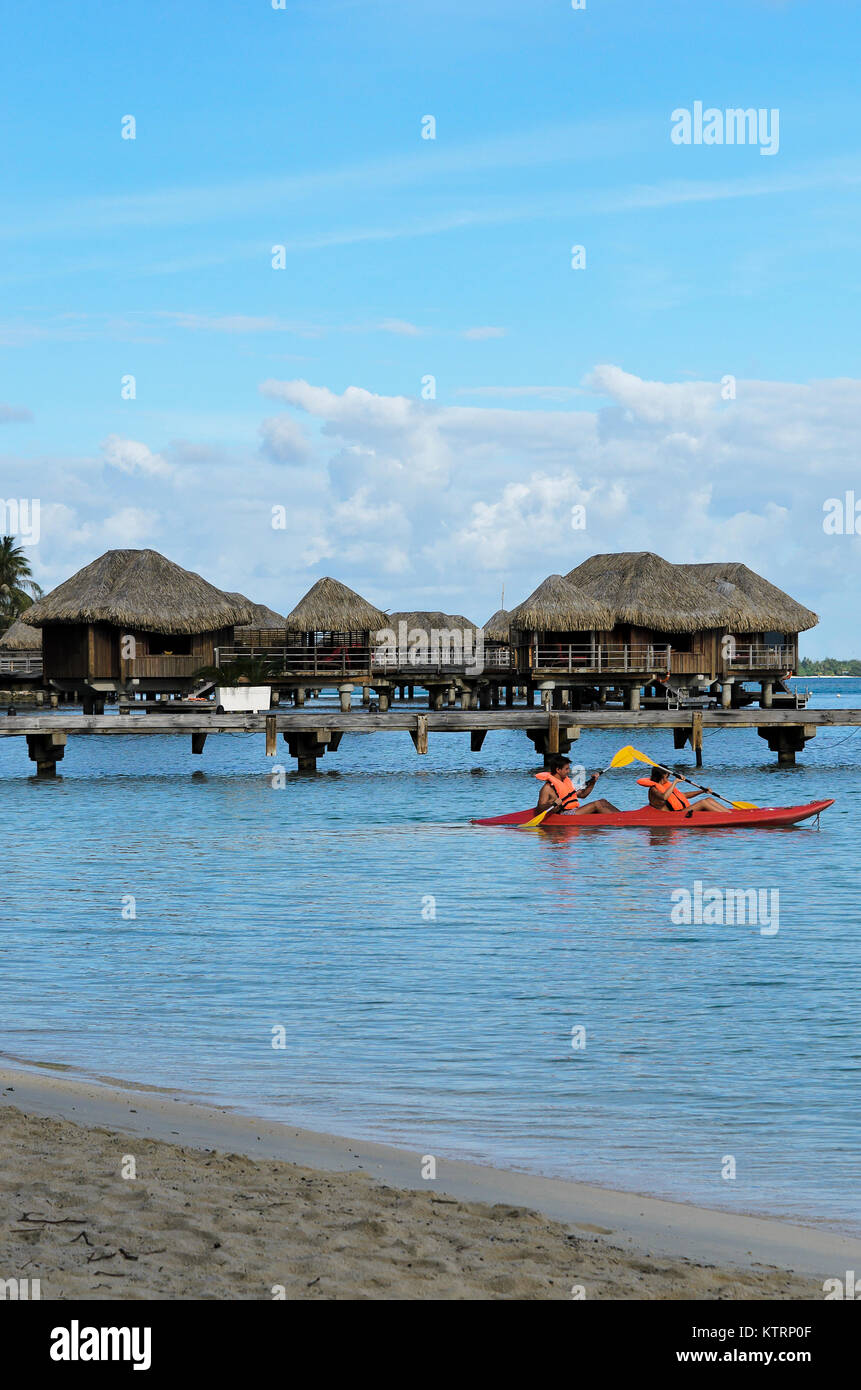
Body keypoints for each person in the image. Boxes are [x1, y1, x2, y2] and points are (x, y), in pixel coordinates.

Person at [535, 754, 620, 817]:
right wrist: (553, 804)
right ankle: (619, 819)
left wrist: (593, 782)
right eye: (566, 769)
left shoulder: (565, 782)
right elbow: (539, 809)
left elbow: (583, 795)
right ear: (558, 770)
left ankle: (622, 815)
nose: (568, 771)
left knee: (603, 801)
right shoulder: (547, 788)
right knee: (597, 804)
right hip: (565, 814)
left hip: (574, 811)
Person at [637, 767, 724, 814]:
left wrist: (702, 791)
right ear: (663, 776)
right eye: (668, 776)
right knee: (703, 803)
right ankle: (726, 816)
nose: (668, 778)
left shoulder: (665, 786)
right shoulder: (653, 789)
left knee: (709, 799)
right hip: (675, 815)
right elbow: (664, 797)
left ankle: (728, 814)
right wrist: (675, 782)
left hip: (681, 811)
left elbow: (683, 795)